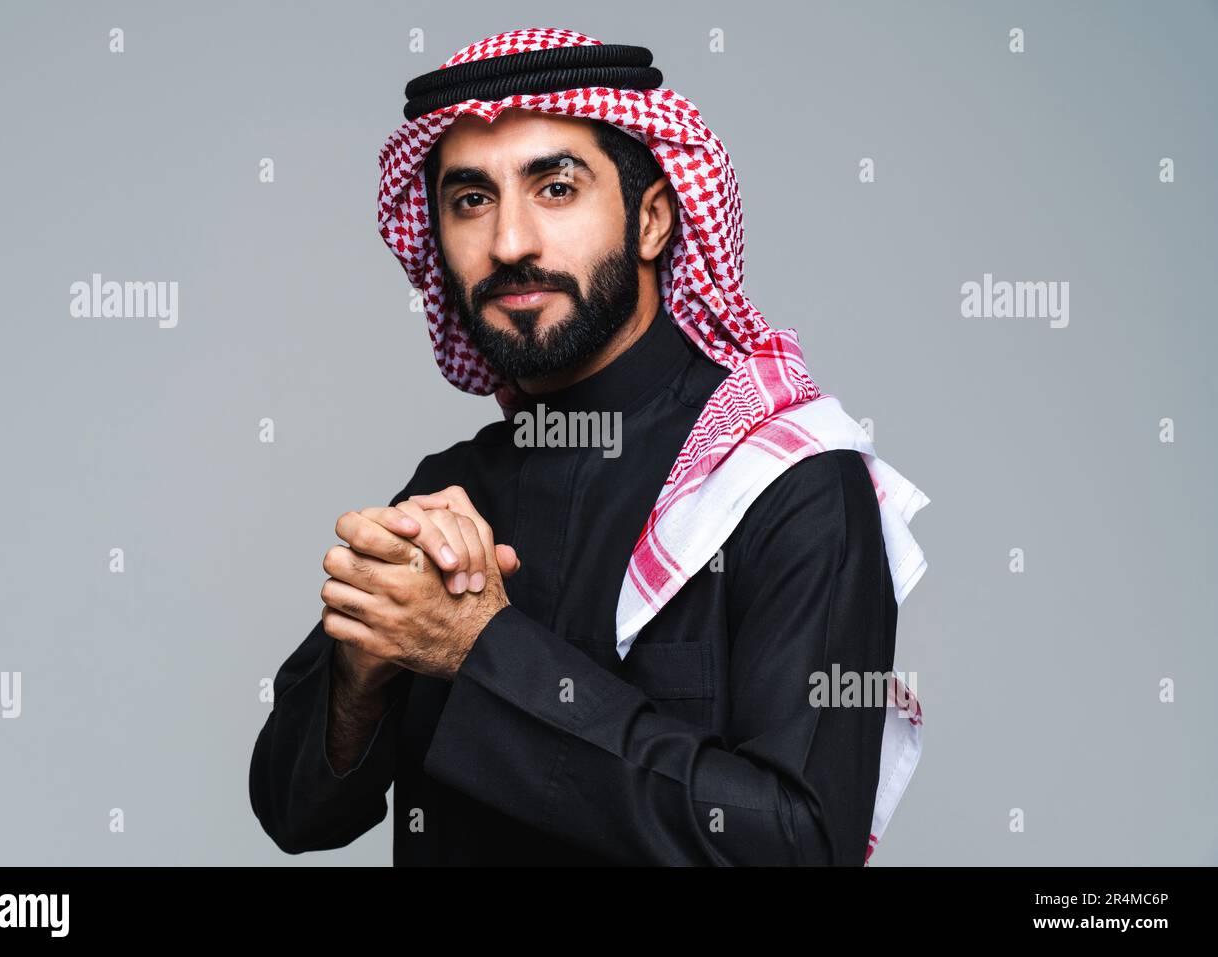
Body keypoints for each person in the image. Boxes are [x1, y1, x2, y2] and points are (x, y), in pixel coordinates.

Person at [249, 28, 930, 866]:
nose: (509, 243)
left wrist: (479, 651)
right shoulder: (447, 495)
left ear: (651, 220)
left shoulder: (788, 484)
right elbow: (293, 812)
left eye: (556, 188)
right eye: (471, 200)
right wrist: (366, 658)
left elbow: (795, 843)